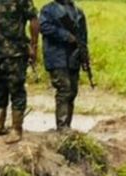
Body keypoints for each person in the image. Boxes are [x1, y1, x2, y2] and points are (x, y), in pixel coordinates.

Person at [0, 0, 37, 142]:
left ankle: (16, 129)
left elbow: (34, 20)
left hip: (16, 53)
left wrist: (34, 45)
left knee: (16, 90)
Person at [39, 0, 86, 131]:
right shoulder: (48, 10)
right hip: (56, 57)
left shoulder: (78, 12)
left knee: (72, 91)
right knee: (64, 90)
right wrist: (65, 35)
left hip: (73, 57)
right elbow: (43, 27)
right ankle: (62, 125)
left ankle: (67, 125)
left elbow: (82, 36)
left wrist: (84, 55)